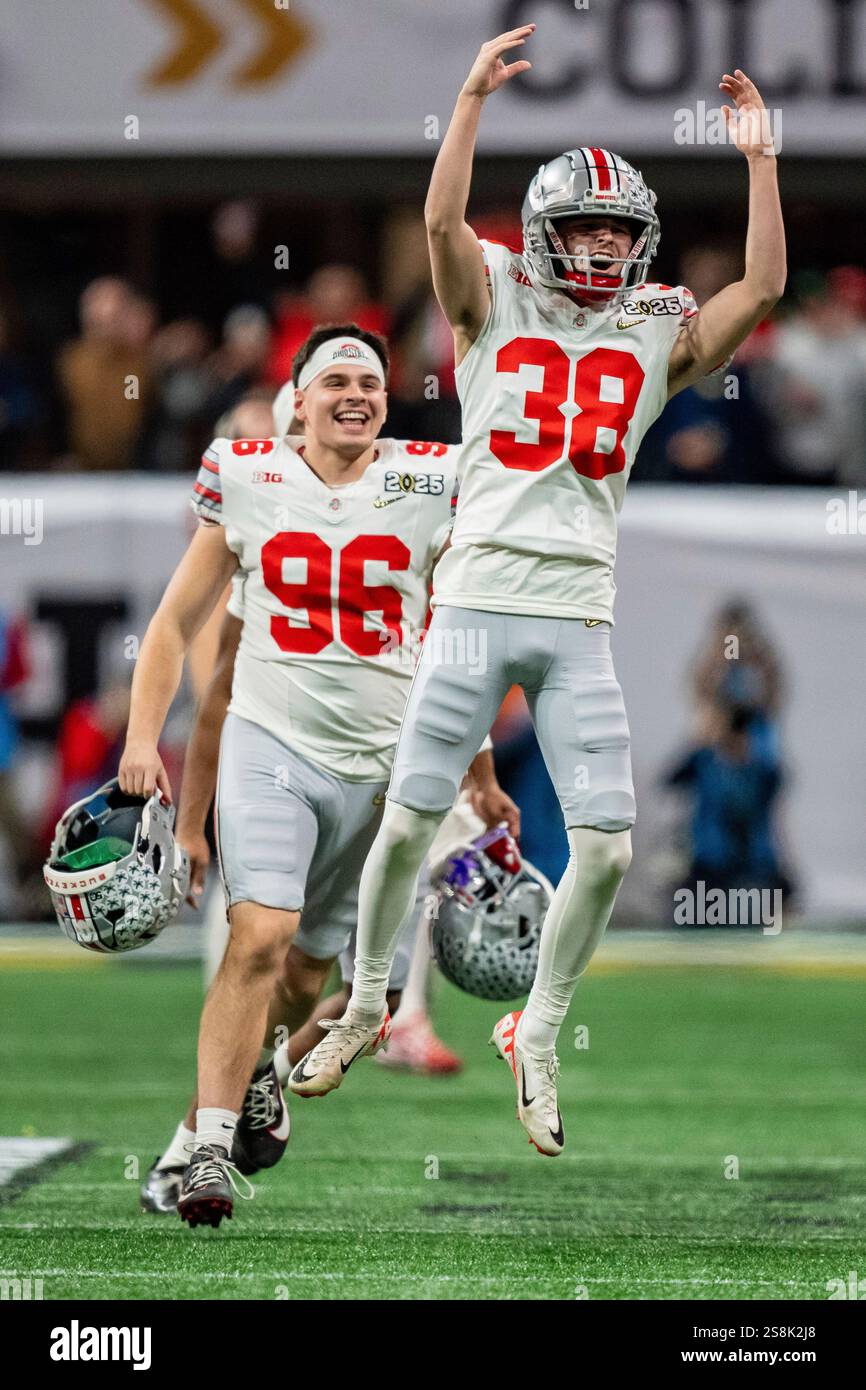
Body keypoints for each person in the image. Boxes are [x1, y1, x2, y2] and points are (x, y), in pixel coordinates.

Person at [288, 26, 786, 1158]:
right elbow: (435, 225)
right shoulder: (491, 301)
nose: (605, 245)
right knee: (409, 824)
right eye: (587, 227)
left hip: (574, 612)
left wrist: (758, 162)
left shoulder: (653, 331)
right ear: (547, 235)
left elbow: (759, 285)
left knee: (603, 848)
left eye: (622, 229)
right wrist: (464, 98)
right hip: (468, 601)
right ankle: (368, 1002)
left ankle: (539, 1031)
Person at [119, 322, 506, 1226]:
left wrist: (479, 767)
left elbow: (460, 642)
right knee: (260, 935)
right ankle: (211, 1154)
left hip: (381, 771)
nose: (355, 393)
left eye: (369, 381)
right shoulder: (248, 474)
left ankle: (228, 1101)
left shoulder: (430, 478)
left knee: (303, 977)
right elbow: (176, 626)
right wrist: (145, 741)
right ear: (296, 398)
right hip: (273, 743)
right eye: (334, 378)